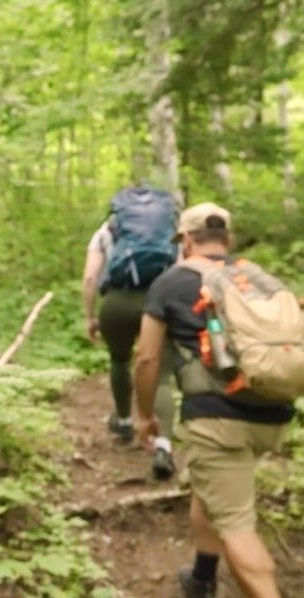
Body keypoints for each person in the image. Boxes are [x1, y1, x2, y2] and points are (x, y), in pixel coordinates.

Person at [132, 202, 304, 598]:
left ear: (185, 240)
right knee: (214, 487)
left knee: (237, 523)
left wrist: (144, 415)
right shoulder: (261, 279)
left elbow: (147, 358)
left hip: (217, 418)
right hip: (273, 415)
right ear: (227, 238)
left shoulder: (170, 282)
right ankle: (202, 579)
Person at [81, 186, 178, 479]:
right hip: (161, 299)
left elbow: (90, 278)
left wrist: (91, 315)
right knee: (161, 373)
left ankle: (123, 421)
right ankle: (163, 445)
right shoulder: (171, 229)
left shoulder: (107, 230)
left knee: (119, 359)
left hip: (118, 302)